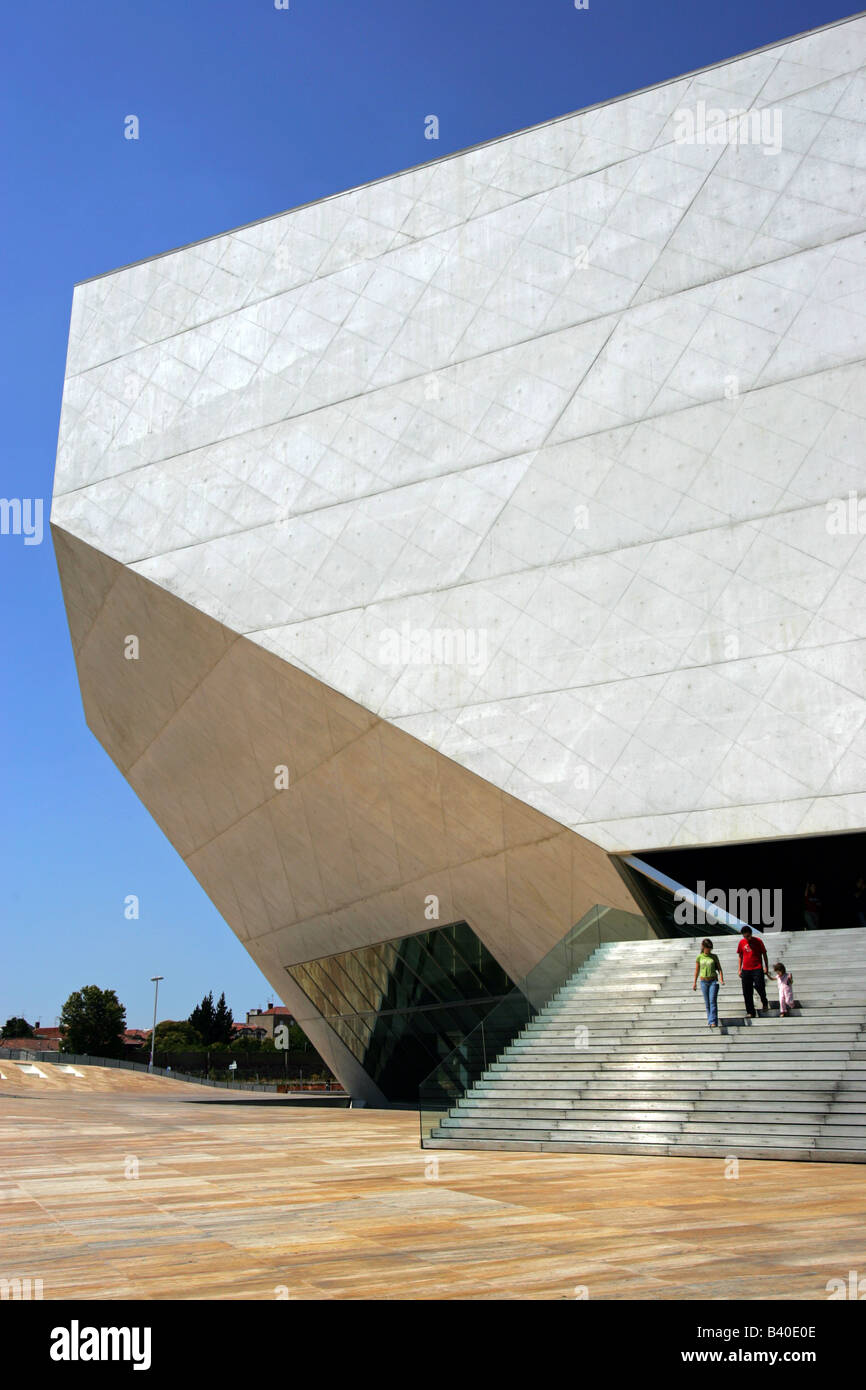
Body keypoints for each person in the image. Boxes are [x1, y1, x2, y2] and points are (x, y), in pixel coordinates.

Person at [737, 925, 770, 1018]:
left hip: (757, 968)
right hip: (746, 970)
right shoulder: (741, 943)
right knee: (747, 991)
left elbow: (764, 954)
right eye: (744, 936)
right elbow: (740, 956)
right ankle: (750, 1012)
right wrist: (739, 969)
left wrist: (766, 967)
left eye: (748, 936)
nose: (746, 938)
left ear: (751, 934)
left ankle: (764, 1001)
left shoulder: (758, 941)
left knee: (760, 986)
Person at [692, 937, 724, 1027]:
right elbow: (697, 970)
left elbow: (719, 969)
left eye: (710, 948)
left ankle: (713, 1021)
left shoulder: (714, 956)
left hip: (713, 981)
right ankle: (710, 1020)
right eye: (707, 948)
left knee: (712, 1001)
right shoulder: (699, 957)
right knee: (707, 1003)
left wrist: (721, 979)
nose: (708, 950)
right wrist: (694, 982)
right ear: (703, 947)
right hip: (703, 982)